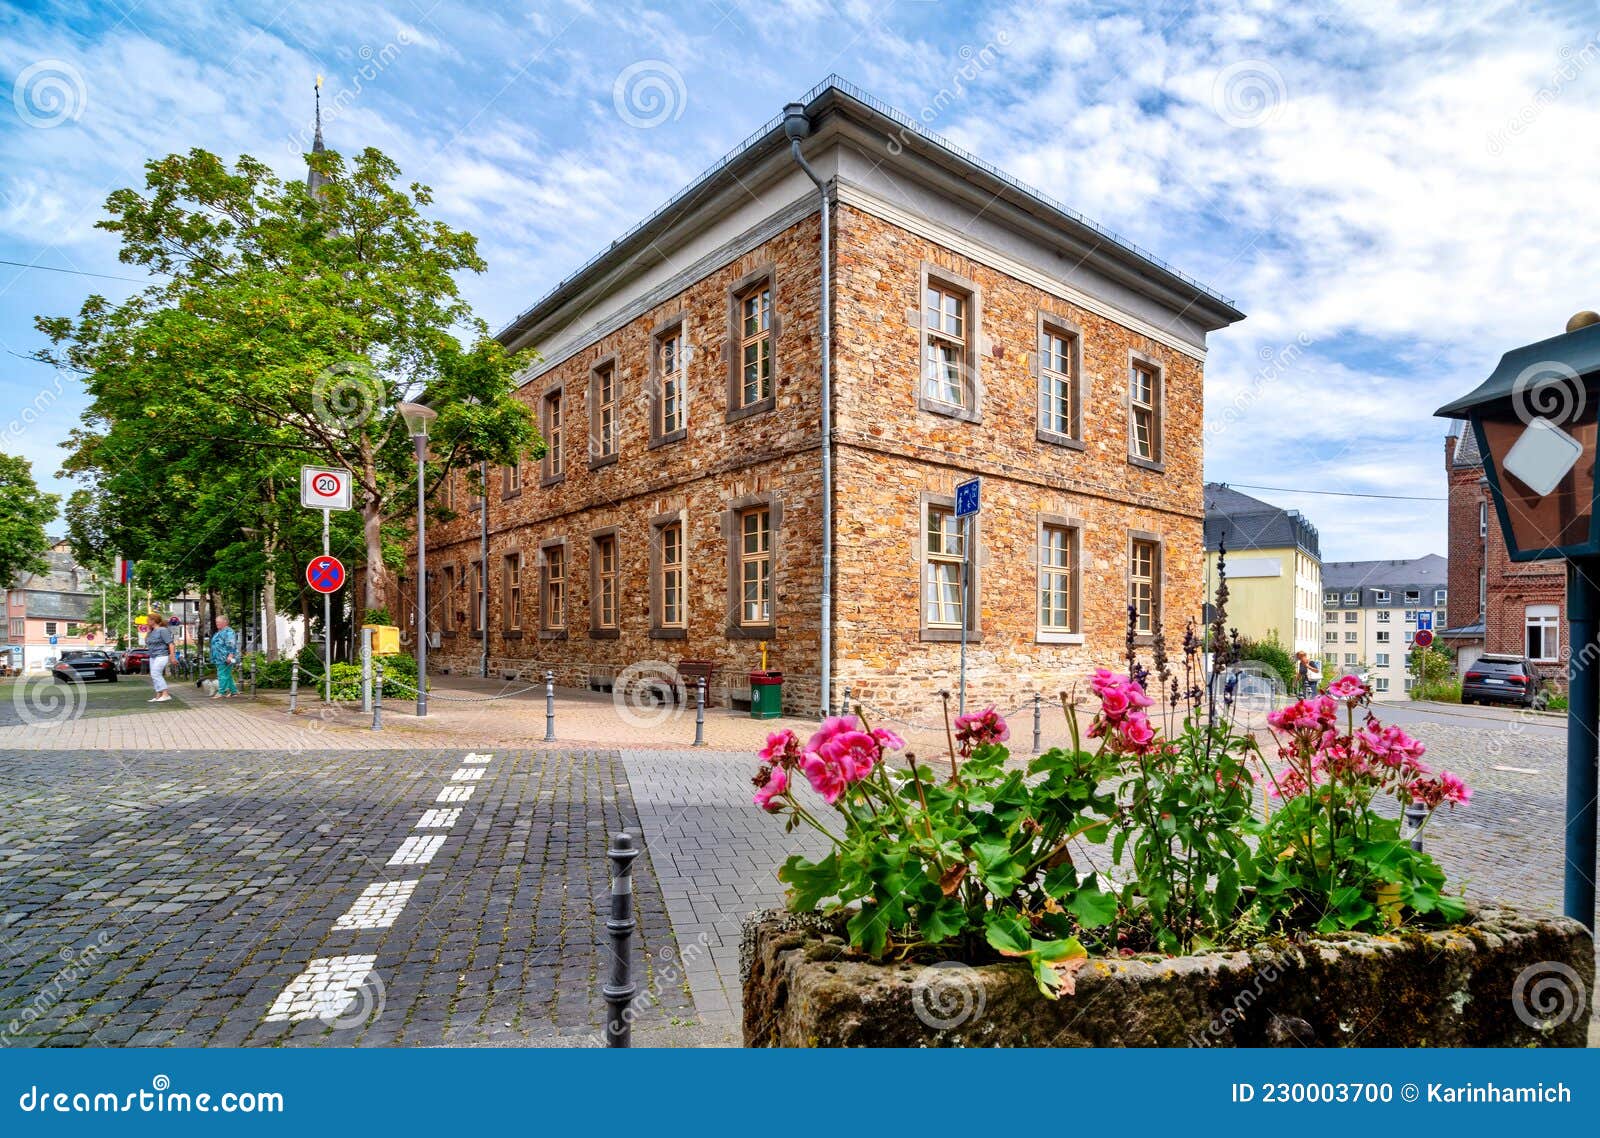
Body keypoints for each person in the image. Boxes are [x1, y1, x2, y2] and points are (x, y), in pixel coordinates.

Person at [144, 614, 175, 703]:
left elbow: (170, 643)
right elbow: (147, 641)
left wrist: (172, 656)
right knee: (154, 675)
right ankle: (158, 695)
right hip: (153, 656)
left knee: (155, 673)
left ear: (153, 621)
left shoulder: (163, 630)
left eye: (148, 620)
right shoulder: (152, 631)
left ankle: (166, 694)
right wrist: (149, 630)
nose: (147, 622)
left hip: (162, 655)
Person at [210, 615, 240, 699]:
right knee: (227, 675)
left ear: (225, 622)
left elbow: (231, 645)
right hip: (219, 658)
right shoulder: (219, 632)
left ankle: (221, 692)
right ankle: (234, 692)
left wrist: (230, 656)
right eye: (216, 622)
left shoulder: (228, 632)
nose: (217, 624)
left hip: (225, 658)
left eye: (218, 622)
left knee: (222, 675)